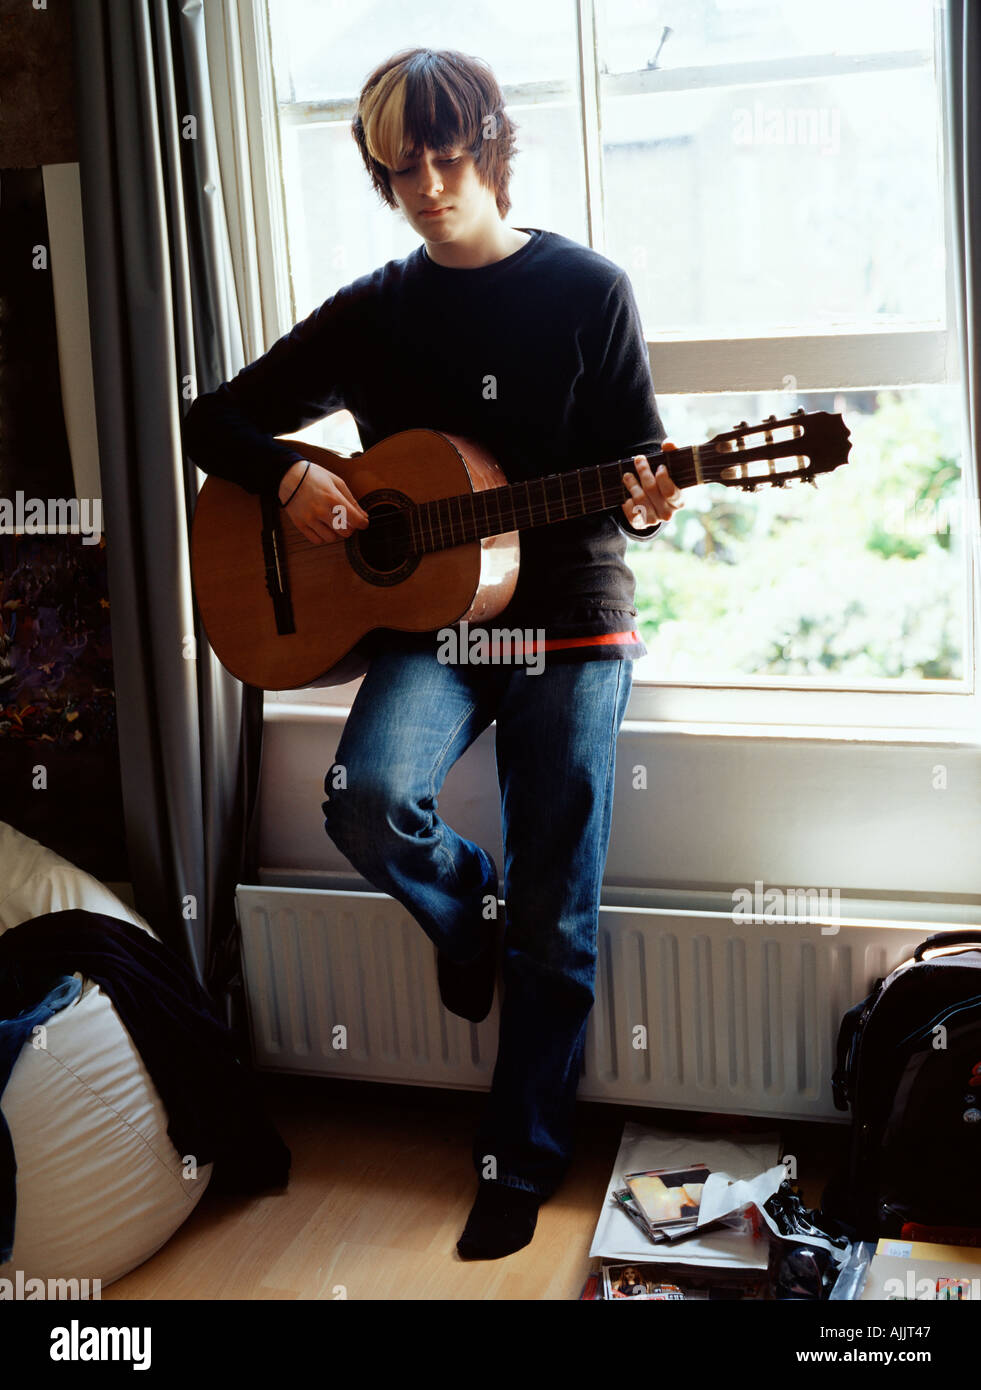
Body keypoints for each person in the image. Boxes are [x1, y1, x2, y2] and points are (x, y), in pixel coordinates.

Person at [184, 46, 685, 1261]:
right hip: (443, 625)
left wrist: (652, 498)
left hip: (568, 613)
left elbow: (639, 465)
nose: (425, 184)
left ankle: (519, 1159)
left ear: (493, 149)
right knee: (365, 796)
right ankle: (464, 917)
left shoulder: (588, 289)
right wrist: (289, 473)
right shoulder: (378, 309)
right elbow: (212, 416)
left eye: (447, 156)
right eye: (398, 166)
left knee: (557, 903)